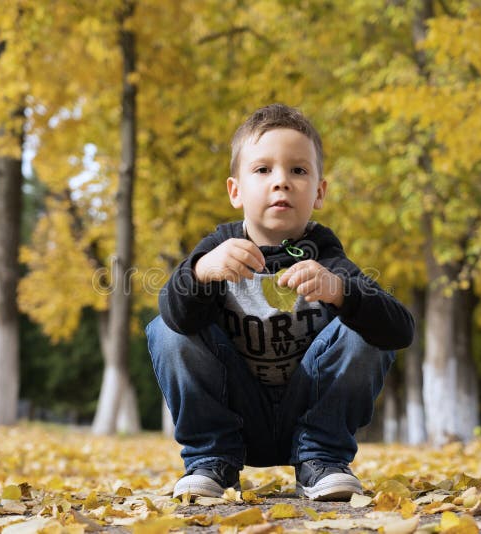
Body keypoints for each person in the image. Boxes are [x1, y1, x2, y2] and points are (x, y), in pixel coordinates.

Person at [146, 103, 415, 501]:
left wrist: (342, 292)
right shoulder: (218, 251)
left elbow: (400, 330)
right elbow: (175, 315)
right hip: (235, 413)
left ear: (319, 192)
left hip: (310, 417)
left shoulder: (328, 260)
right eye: (263, 170)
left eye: (299, 170)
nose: (281, 182)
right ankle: (210, 462)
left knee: (367, 320)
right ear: (235, 191)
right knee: (165, 328)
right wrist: (201, 271)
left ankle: (322, 461)